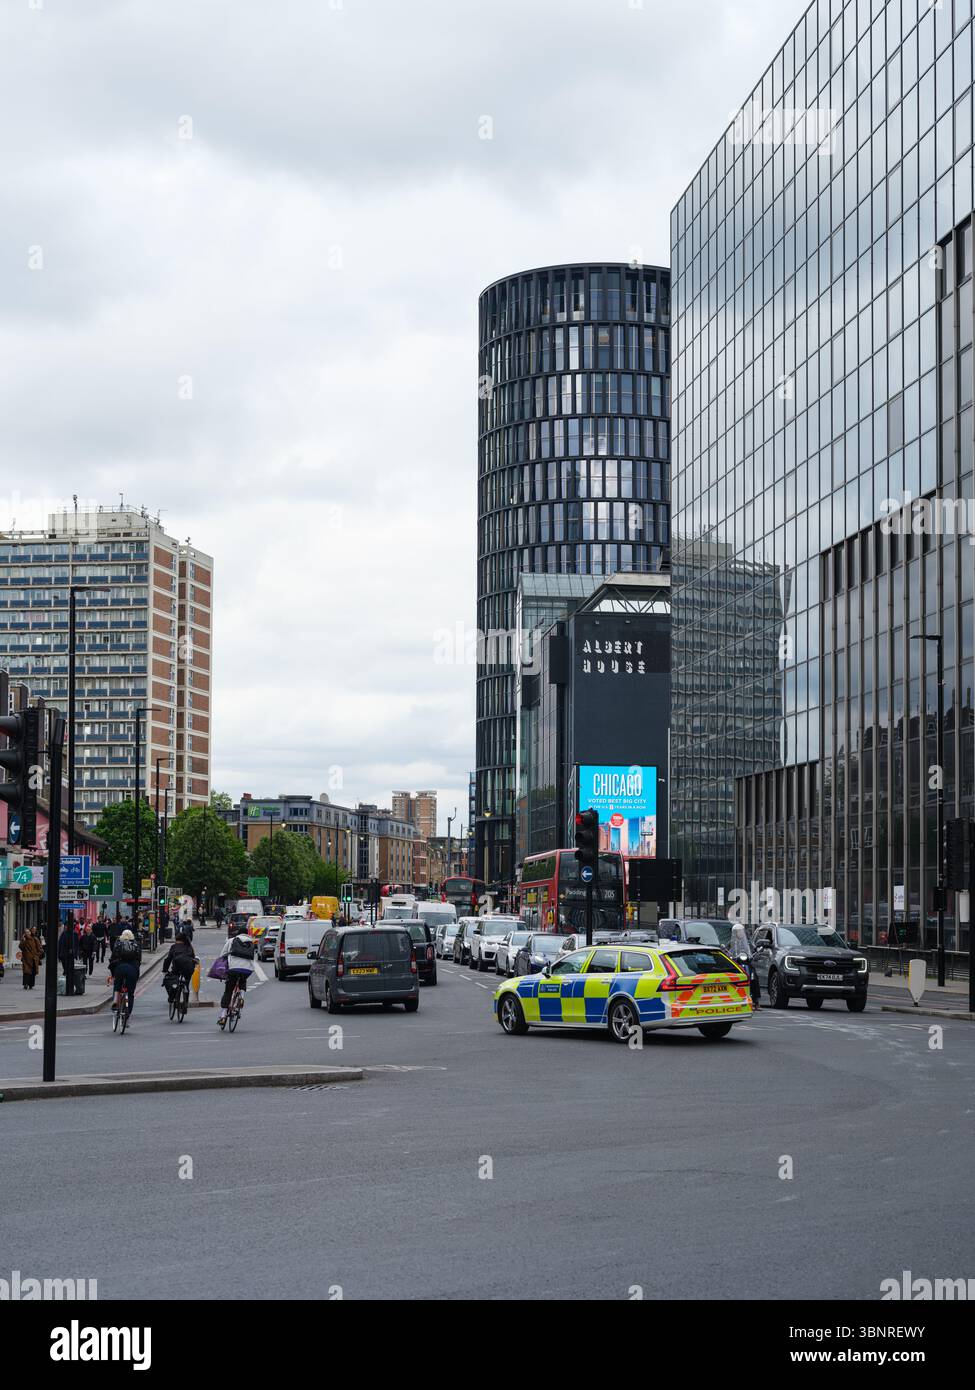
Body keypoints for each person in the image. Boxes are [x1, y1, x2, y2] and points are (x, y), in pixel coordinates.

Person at [216, 917, 257, 1029]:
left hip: (233, 968)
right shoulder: (251, 942)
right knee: (243, 980)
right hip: (247, 969)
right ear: (247, 934)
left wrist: (221, 970)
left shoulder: (231, 941)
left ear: (238, 934)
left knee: (228, 990)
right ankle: (241, 997)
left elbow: (222, 955)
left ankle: (223, 1015)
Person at [108, 928, 142, 1025]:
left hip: (120, 968)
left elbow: (112, 959)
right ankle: (126, 1017)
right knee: (130, 994)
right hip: (132, 970)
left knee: (117, 987)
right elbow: (139, 960)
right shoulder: (136, 945)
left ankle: (115, 1001)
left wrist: (113, 974)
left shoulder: (118, 944)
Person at [162, 930, 197, 1004]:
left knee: (172, 981)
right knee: (186, 984)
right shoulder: (189, 947)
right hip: (189, 968)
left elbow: (168, 959)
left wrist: (165, 970)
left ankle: (172, 997)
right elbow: (193, 958)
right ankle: (185, 1003)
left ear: (177, 940)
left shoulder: (174, 947)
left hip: (177, 968)